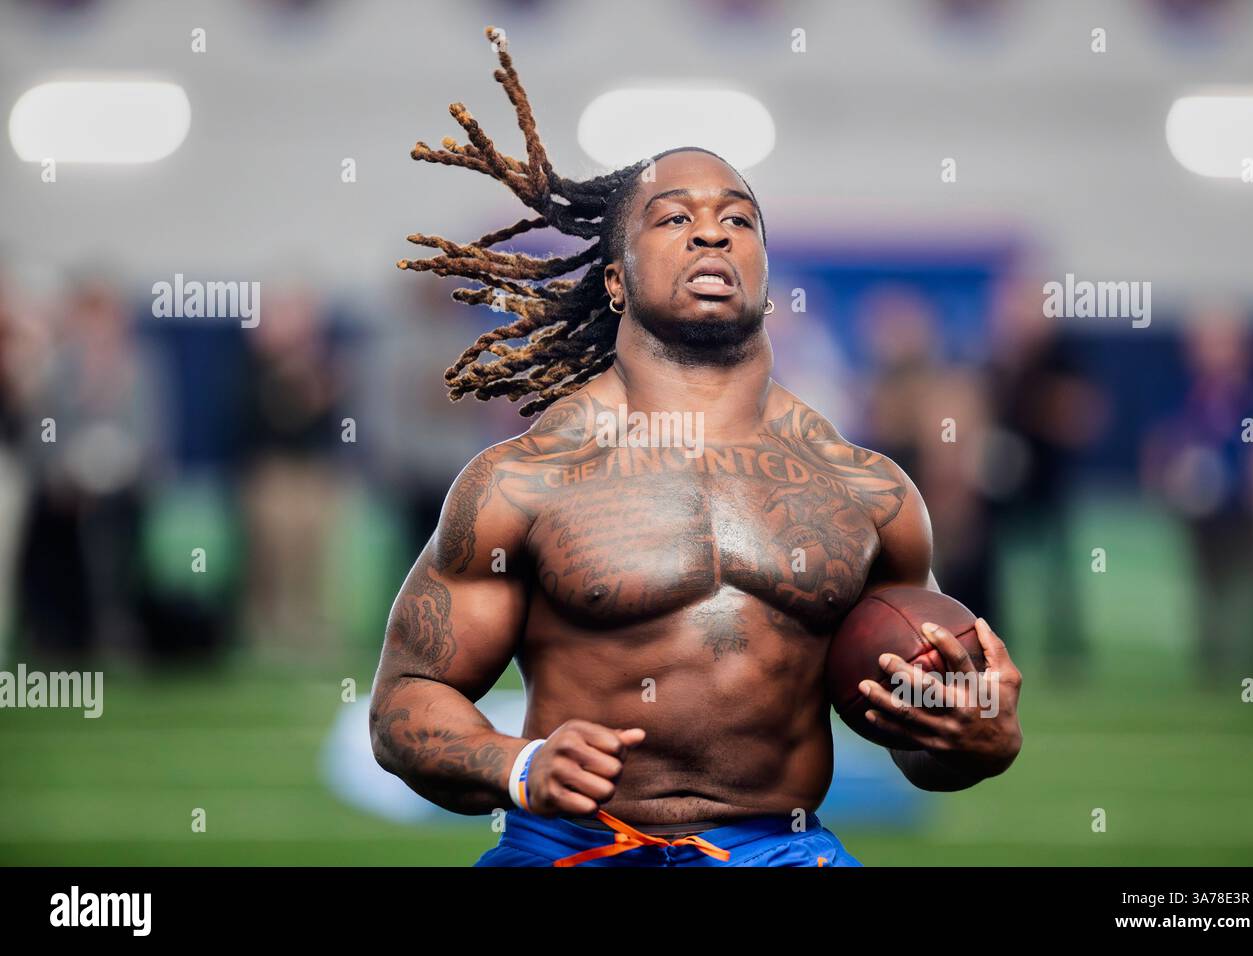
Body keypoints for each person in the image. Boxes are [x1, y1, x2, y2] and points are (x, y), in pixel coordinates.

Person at [369, 26, 1023, 867]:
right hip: (570, 847)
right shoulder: (523, 481)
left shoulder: (870, 493)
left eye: (738, 220)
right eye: (674, 217)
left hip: (777, 850)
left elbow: (913, 736)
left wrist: (975, 735)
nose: (711, 233)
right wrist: (519, 764)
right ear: (615, 277)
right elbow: (403, 703)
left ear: (762, 267)